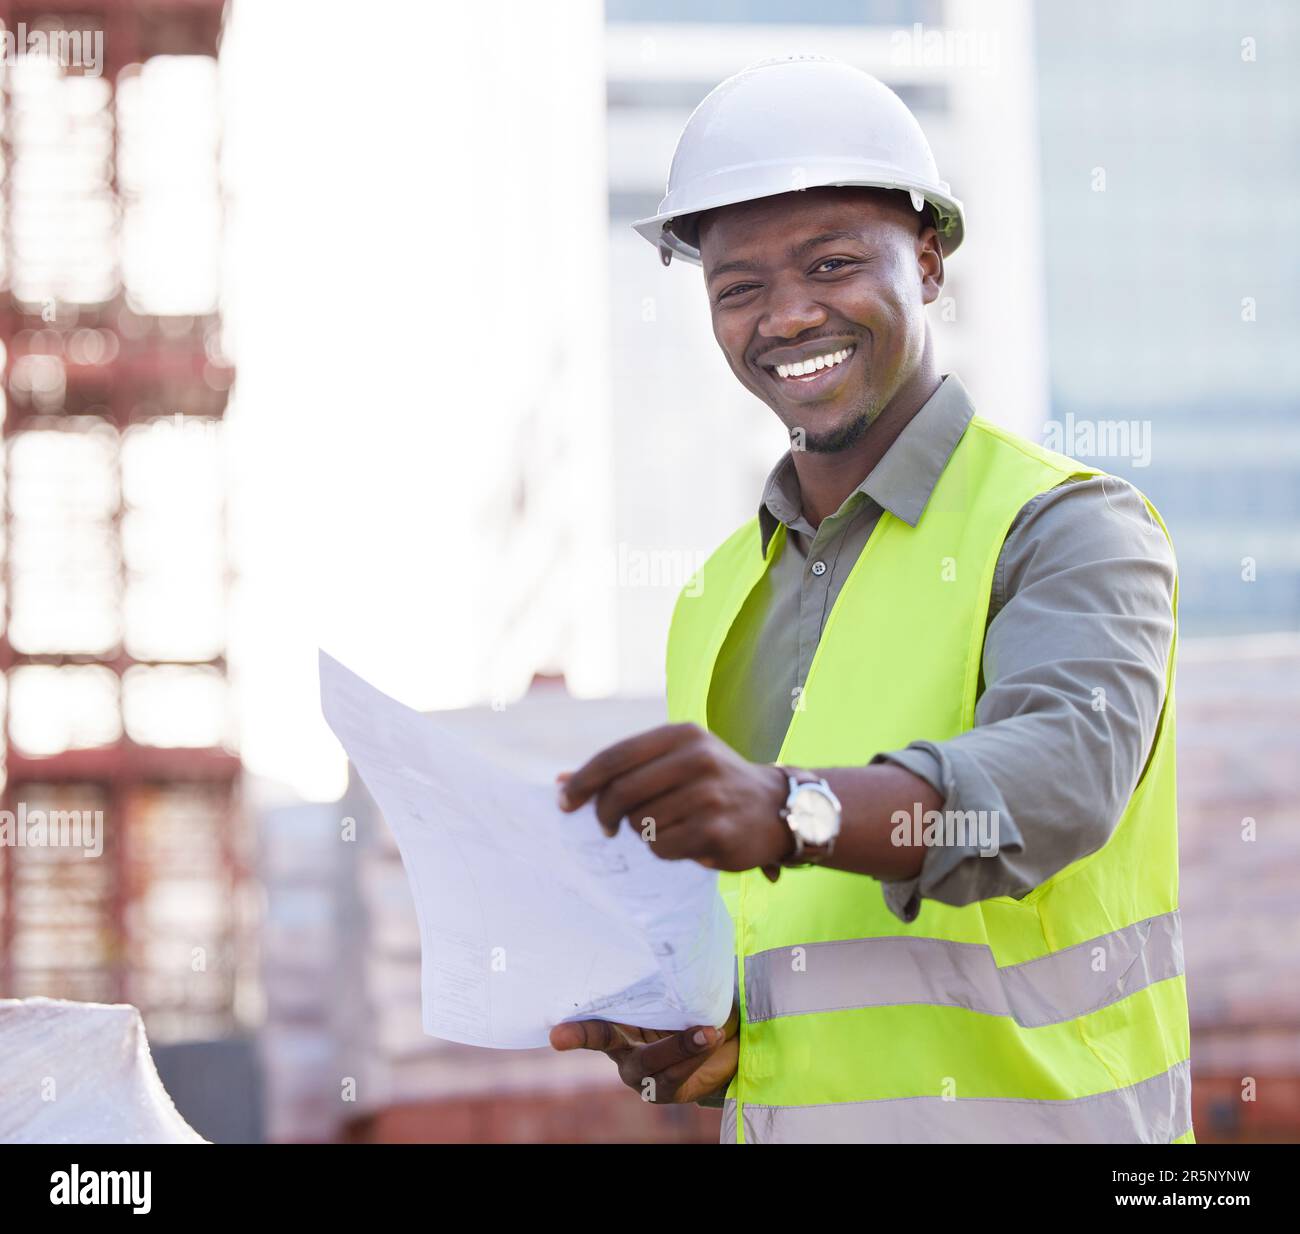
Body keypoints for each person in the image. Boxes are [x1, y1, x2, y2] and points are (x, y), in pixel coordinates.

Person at [549, 55, 1192, 1144]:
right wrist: (694, 1037)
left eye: (833, 264)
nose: (788, 317)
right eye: (738, 288)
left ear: (929, 263)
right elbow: (784, 936)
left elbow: (1056, 784)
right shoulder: (713, 599)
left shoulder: (1069, 527)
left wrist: (789, 808)